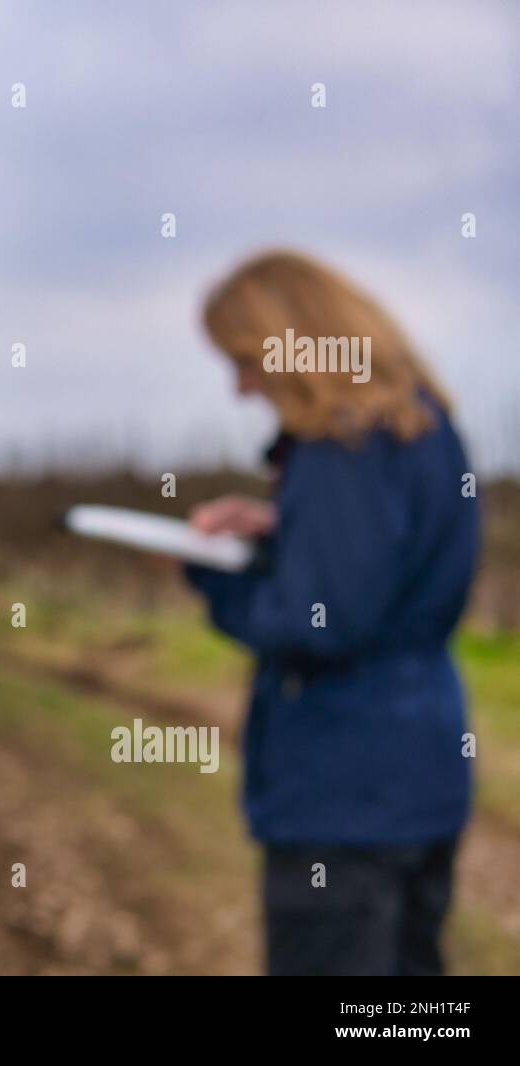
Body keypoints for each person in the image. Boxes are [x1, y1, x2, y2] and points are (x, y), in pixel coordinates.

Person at [184, 251, 479, 976]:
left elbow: (321, 624)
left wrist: (207, 573)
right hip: (422, 770)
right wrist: (287, 527)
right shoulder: (425, 427)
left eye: (244, 360)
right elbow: (388, 572)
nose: (241, 386)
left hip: (345, 793)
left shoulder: (338, 443)